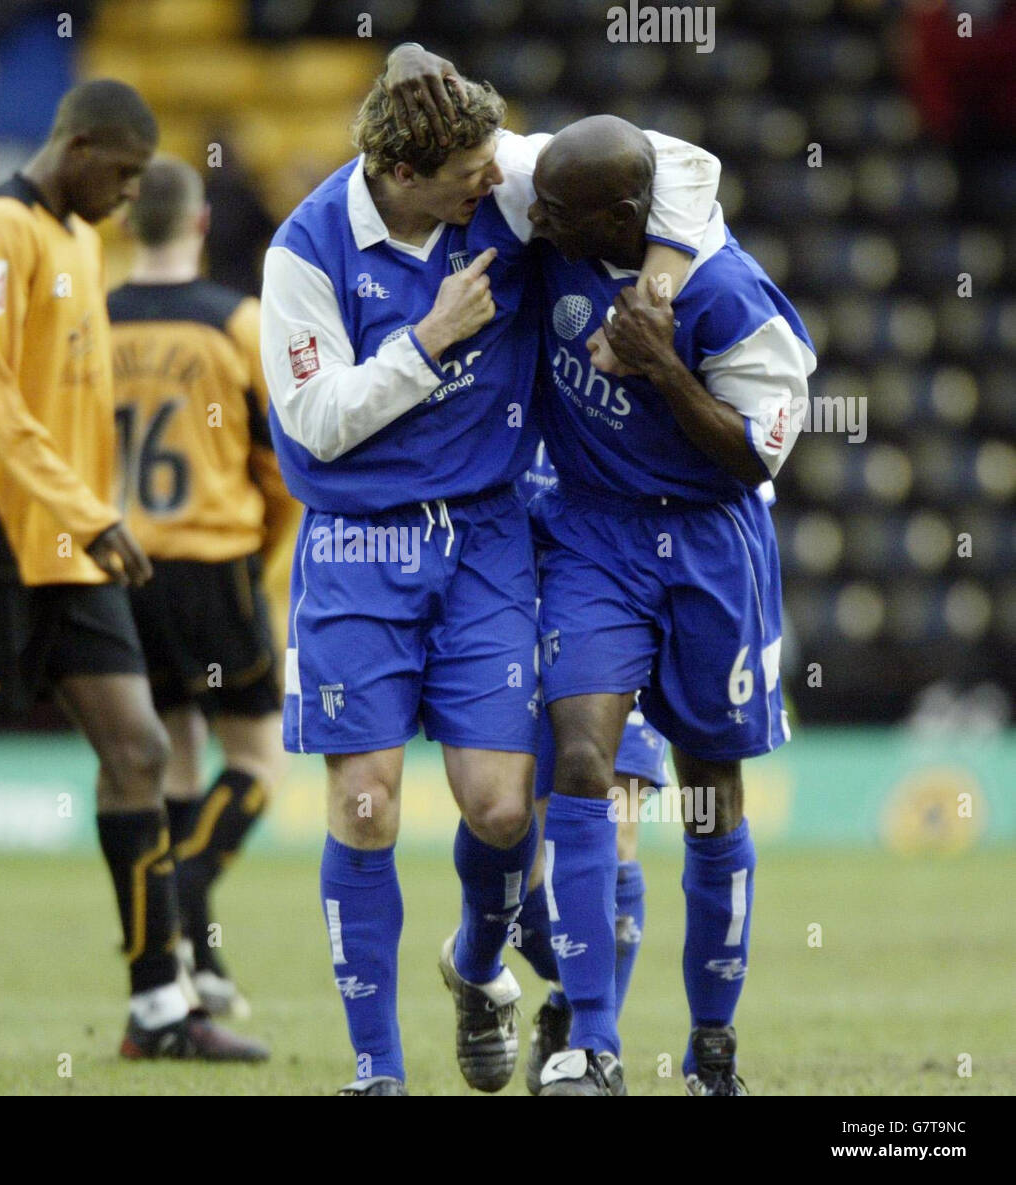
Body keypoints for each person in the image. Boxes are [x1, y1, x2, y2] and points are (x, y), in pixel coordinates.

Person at [259, 45, 720, 1095]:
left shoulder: (499, 178)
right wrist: (427, 341)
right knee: (367, 807)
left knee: (505, 811)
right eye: (471, 169)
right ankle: (377, 1071)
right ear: (404, 175)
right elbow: (318, 422)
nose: (495, 177)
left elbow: (684, 168)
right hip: (356, 543)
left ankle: (477, 968)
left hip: (486, 533)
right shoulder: (305, 251)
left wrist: (654, 291)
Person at [0, 79, 264, 1066]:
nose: (129, 197)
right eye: (120, 175)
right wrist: (90, 512)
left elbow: (68, 413)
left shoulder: (82, 241)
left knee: (137, 750)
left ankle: (159, 1008)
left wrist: (88, 518)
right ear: (77, 147)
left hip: (68, 549)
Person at [526, 116, 815, 1096]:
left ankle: (711, 1043)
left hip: (707, 541)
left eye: (563, 216)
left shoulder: (728, 295)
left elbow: (756, 452)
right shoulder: (556, 231)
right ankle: (592, 1044)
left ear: (620, 214)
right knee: (580, 761)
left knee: (707, 799)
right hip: (593, 533)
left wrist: (663, 366)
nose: (542, 224)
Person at [106, 155, 297, 1018]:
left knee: (174, 764)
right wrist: (263, 562)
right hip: (213, 563)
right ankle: (179, 909)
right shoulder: (237, 323)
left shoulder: (89, 326)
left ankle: (198, 967)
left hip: (118, 570)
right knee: (256, 764)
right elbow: (286, 467)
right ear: (200, 224)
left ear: (123, 223)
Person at [513, 442, 669, 1094]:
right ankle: (560, 991)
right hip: (520, 619)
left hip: (623, 606)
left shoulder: (642, 359)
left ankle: (591, 1045)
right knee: (526, 880)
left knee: (617, 826)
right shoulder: (517, 359)